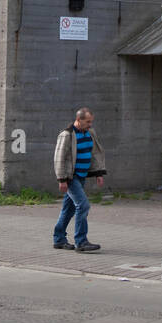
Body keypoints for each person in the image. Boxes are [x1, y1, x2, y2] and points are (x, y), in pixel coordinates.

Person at [53, 107, 106, 252]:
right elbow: (59, 158)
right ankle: (81, 242)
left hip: (82, 176)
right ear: (78, 120)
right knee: (83, 206)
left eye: (91, 121)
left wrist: (98, 173)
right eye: (87, 121)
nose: (90, 124)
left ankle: (59, 239)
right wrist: (62, 179)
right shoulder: (67, 134)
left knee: (68, 210)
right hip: (71, 177)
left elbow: (95, 153)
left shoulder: (90, 133)